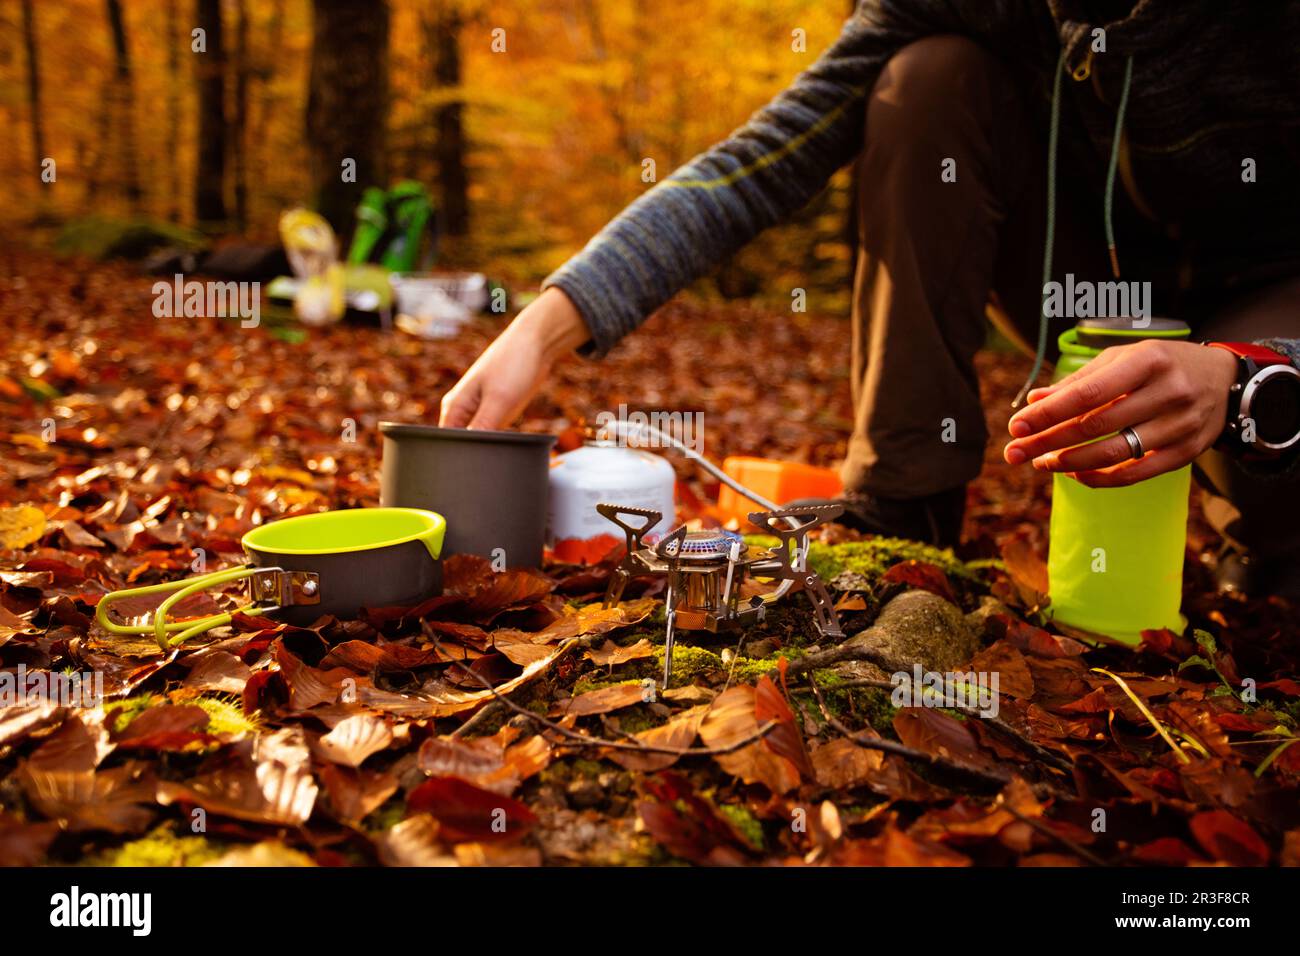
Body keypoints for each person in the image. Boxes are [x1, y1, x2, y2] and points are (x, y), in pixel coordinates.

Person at [440, 1, 1300, 597]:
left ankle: (1258, 517)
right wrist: (545, 327)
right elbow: (767, 157)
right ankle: (903, 512)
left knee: (1277, 549)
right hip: (1087, 287)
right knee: (928, 80)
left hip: (1271, 299)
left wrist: (1254, 380)